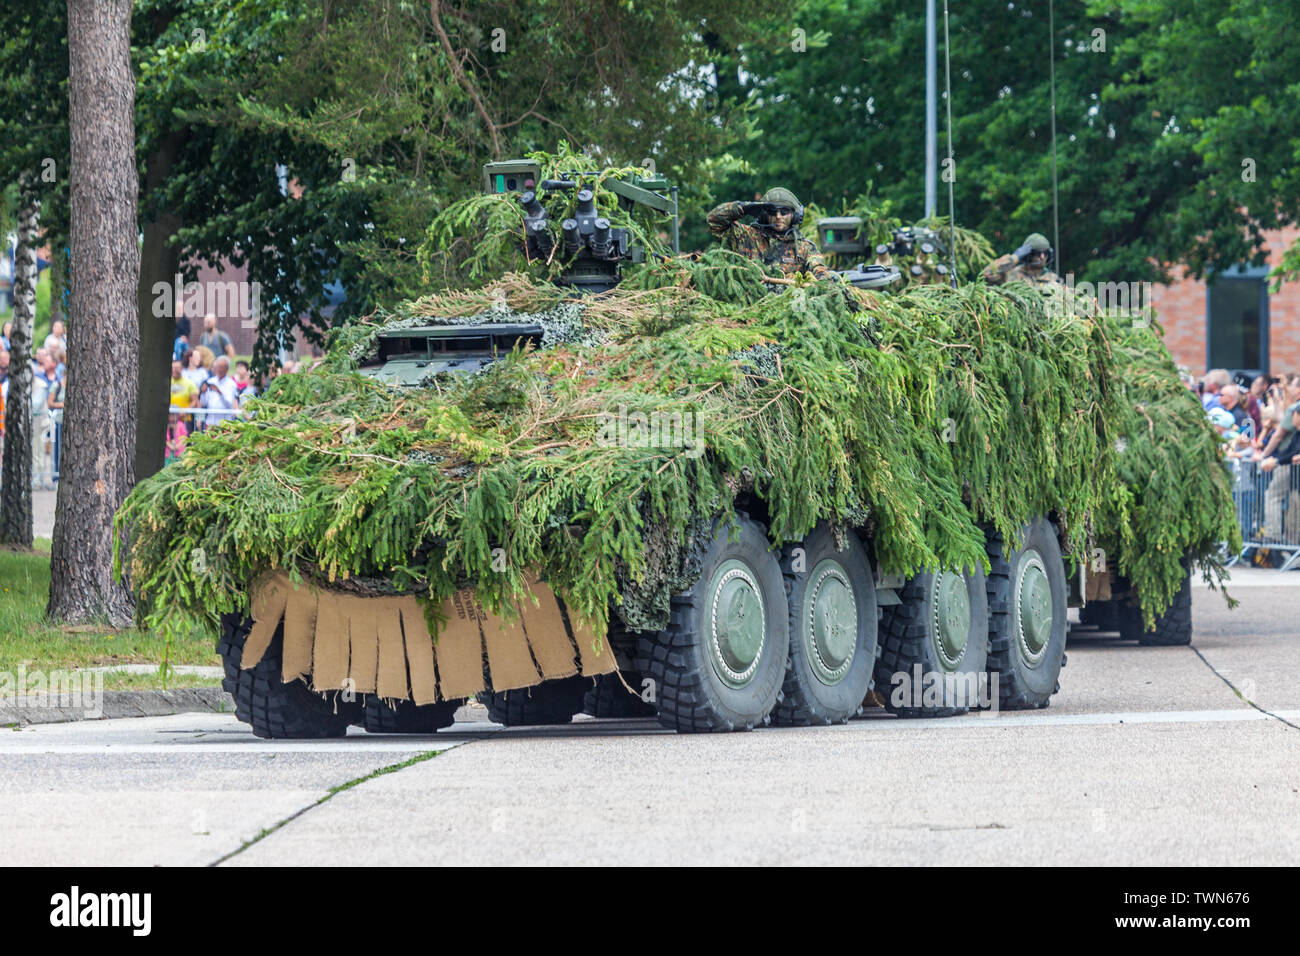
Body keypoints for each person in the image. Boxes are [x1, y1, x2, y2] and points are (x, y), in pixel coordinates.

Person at [706, 187, 835, 280]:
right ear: (764, 215)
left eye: (784, 212)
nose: (778, 216)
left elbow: (819, 269)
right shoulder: (745, 236)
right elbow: (713, 220)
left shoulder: (804, 248)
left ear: (795, 216)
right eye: (772, 212)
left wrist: (823, 281)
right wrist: (743, 208)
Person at [1259, 405, 1300, 541]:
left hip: (1290, 470)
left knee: (1273, 496)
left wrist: (1275, 461)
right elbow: (1291, 453)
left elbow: (1295, 456)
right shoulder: (1296, 434)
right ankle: (1291, 544)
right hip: (1292, 474)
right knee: (1294, 507)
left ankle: (1274, 536)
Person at [982, 233, 1061, 287]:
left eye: (1045, 253)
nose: (1042, 257)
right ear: (1028, 254)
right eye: (1037, 253)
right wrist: (1014, 257)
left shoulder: (1054, 279)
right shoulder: (1011, 275)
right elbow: (987, 276)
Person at [198, 355, 238, 427]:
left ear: (227, 368)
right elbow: (203, 403)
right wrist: (203, 394)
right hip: (210, 422)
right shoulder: (210, 381)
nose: (219, 369)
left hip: (225, 423)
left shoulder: (231, 384)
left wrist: (219, 393)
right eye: (217, 367)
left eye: (221, 367)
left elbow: (229, 404)